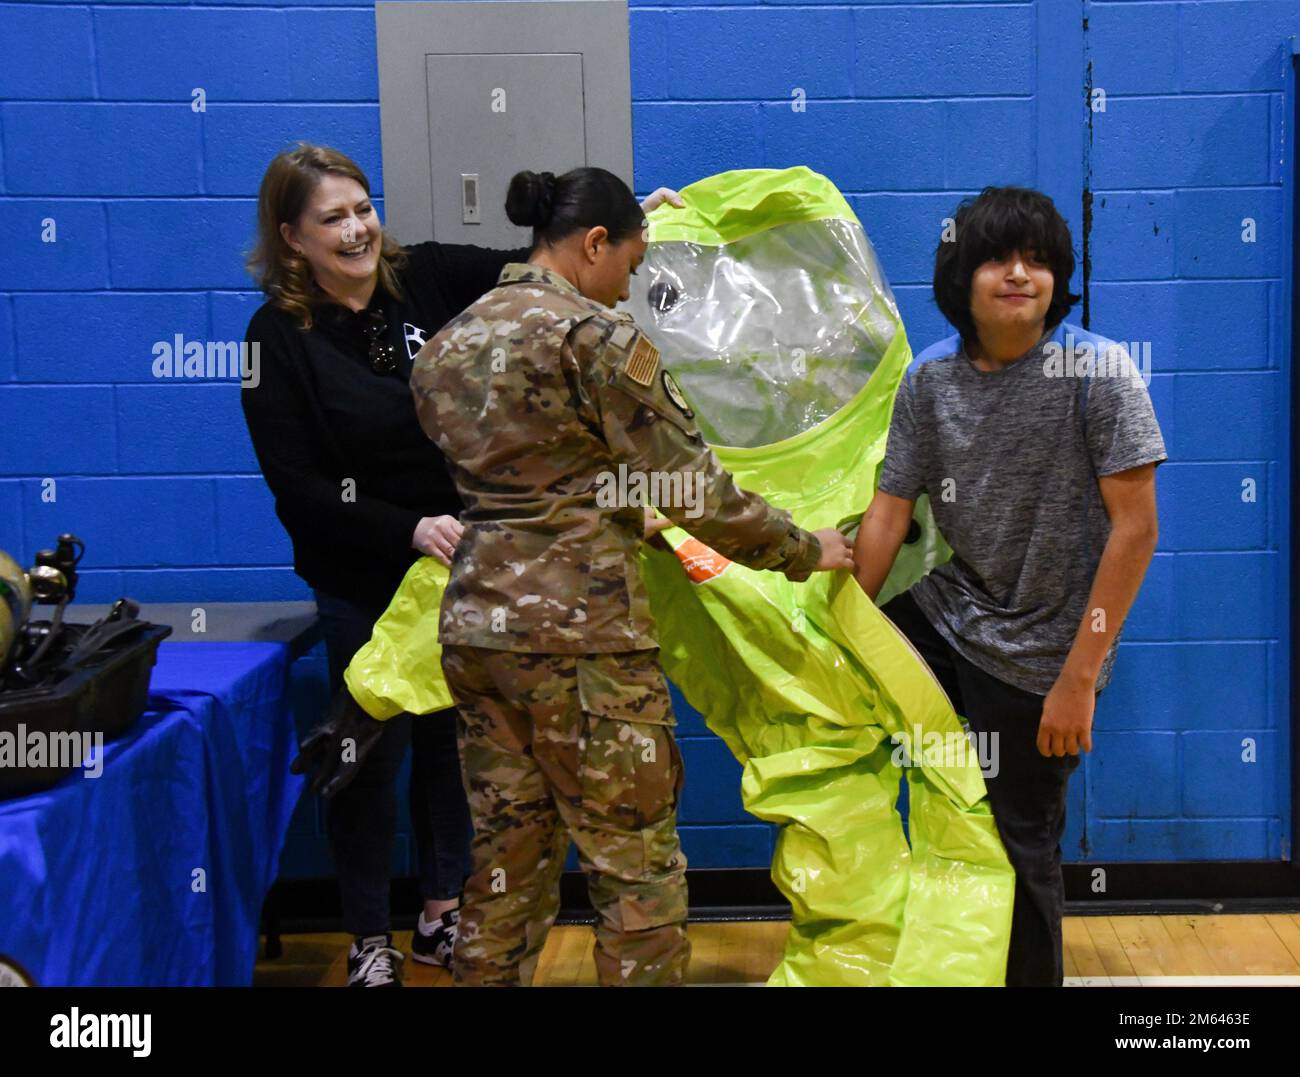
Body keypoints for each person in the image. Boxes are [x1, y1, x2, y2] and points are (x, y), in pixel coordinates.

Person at [240, 142, 683, 987]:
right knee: (368, 764)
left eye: (362, 207)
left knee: (461, 755)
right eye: (332, 217)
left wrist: (632, 221)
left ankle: (444, 912)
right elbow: (295, 485)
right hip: (366, 573)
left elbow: (540, 267)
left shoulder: (429, 277)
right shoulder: (276, 338)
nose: (357, 227)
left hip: (466, 572)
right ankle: (369, 934)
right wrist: (406, 527)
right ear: (292, 238)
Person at [410, 166, 856, 986]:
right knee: (634, 870)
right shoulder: (599, 341)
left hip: (479, 632)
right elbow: (693, 487)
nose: (631, 284)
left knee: (506, 861)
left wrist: (606, 504)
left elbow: (528, 481)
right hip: (584, 642)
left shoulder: (446, 346)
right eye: (631, 262)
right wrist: (803, 549)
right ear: (592, 245)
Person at [852, 186, 1166, 986]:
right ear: (963, 276)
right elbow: (888, 516)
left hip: (1044, 653)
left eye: (1037, 259)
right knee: (830, 695)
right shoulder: (929, 381)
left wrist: (1079, 679)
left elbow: (1136, 532)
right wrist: (844, 628)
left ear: (1059, 276)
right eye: (998, 257)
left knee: (1021, 839)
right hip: (954, 612)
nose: (1020, 273)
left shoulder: (1098, 372)